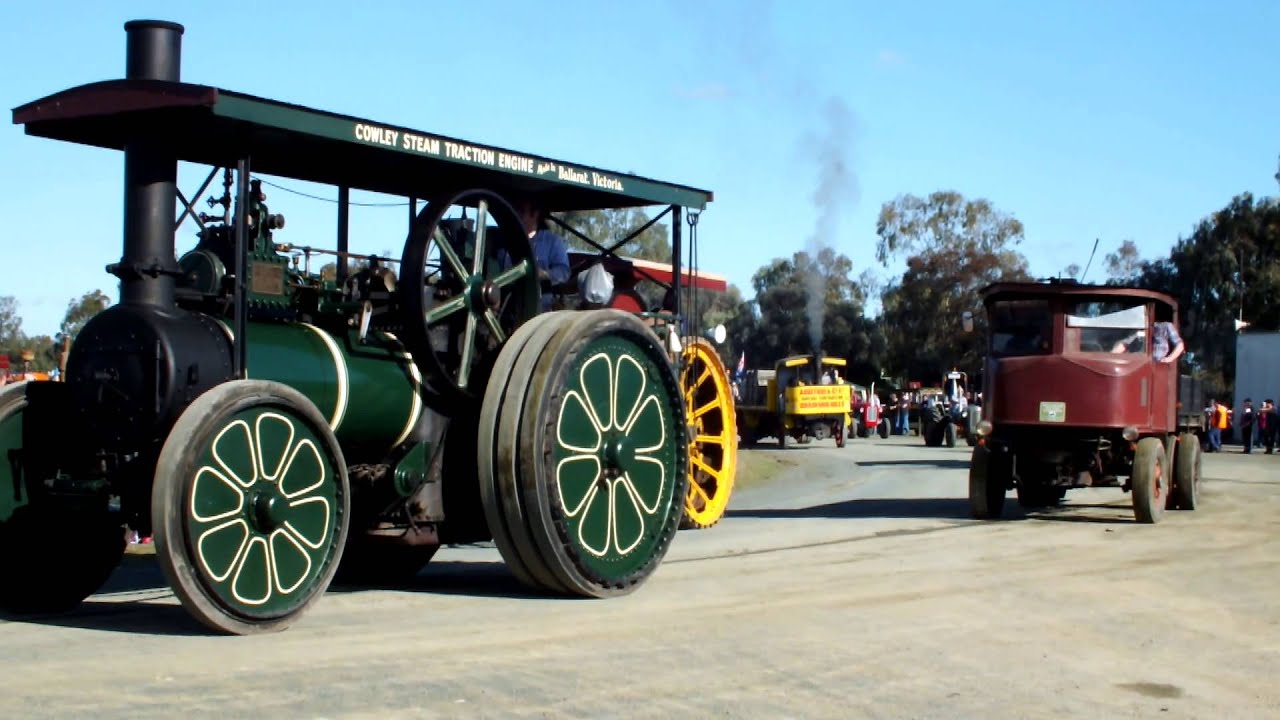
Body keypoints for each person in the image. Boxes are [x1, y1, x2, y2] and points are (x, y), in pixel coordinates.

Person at [500, 198, 570, 311]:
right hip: (509, 309)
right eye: (516, 210)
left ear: (535, 214)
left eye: (522, 211)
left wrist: (544, 274)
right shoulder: (506, 243)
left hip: (540, 310)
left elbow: (564, 272)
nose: (517, 215)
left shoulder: (552, 241)